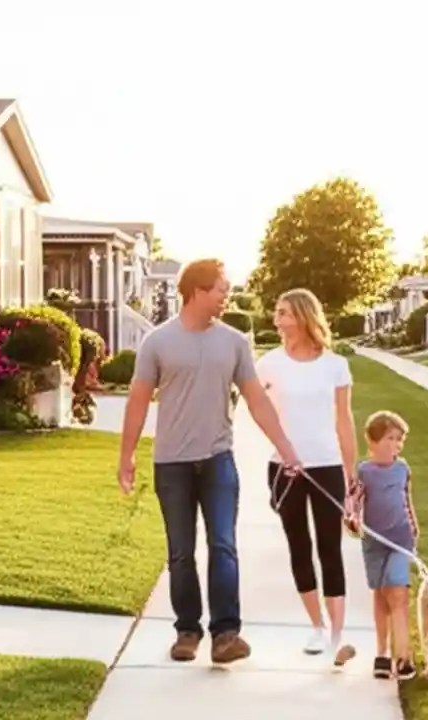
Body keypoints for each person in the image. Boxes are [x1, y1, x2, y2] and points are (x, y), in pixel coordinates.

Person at [116, 258, 301, 665]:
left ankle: (225, 635)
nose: (226, 297)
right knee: (181, 552)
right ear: (197, 291)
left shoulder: (234, 342)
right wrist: (126, 455)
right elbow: (138, 400)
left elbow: (256, 399)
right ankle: (187, 631)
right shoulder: (158, 342)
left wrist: (285, 446)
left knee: (223, 545)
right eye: (221, 289)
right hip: (172, 464)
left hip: (218, 460)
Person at [255, 288, 358, 665]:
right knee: (299, 545)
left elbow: (344, 421)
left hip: (327, 466)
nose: (277, 320)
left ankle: (338, 637)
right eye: (277, 312)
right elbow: (256, 409)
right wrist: (284, 450)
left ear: (303, 316)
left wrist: (351, 475)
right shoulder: (268, 364)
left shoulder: (335, 365)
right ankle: (317, 627)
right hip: (284, 468)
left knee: (330, 548)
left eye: (284, 313)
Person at [348, 410, 418, 680]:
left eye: (400, 440)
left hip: (400, 540)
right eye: (391, 438)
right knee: (380, 595)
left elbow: (407, 500)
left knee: (398, 593)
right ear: (373, 441)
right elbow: (354, 502)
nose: (396, 445)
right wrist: (352, 519)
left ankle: (404, 657)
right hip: (374, 543)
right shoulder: (364, 471)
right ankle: (382, 654)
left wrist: (414, 529)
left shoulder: (403, 469)